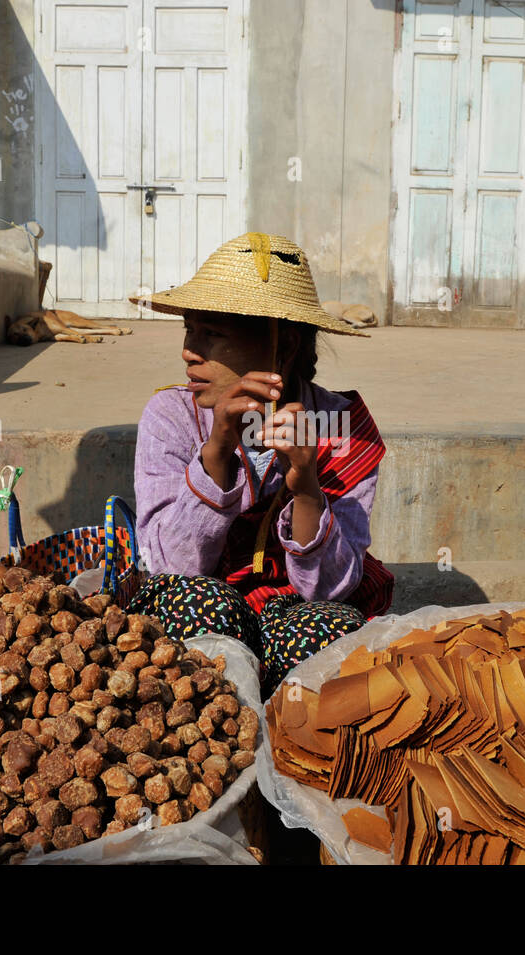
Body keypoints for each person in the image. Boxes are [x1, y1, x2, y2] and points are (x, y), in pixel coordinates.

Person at [125, 232, 393, 696]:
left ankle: (287, 718)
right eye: (189, 330)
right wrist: (217, 450)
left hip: (293, 611)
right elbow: (169, 566)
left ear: (283, 346)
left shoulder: (342, 425)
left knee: (332, 631)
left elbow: (332, 589)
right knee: (194, 609)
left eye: (214, 334)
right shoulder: (171, 416)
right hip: (207, 605)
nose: (190, 351)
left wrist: (307, 491)